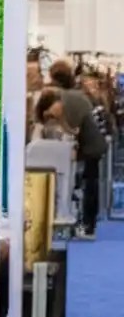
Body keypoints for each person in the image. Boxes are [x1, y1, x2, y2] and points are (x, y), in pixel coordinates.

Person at [48, 59, 106, 238]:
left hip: (89, 147)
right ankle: (88, 225)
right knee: (90, 184)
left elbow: (73, 128)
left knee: (88, 185)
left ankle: (87, 225)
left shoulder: (66, 98)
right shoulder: (76, 96)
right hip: (93, 145)